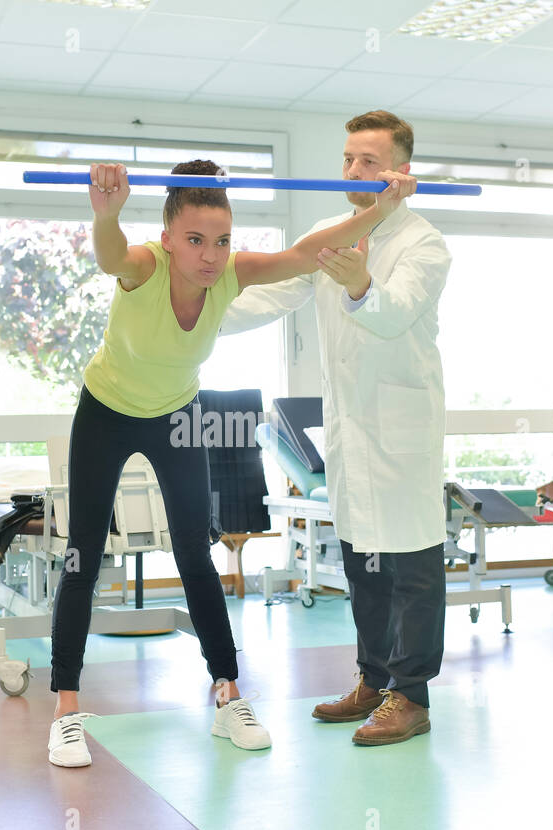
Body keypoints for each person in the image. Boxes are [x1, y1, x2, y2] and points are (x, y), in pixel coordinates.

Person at [47, 157, 408, 768]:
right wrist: (104, 215)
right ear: (167, 239)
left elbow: (305, 253)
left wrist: (381, 211)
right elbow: (110, 257)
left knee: (196, 552)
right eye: (194, 240)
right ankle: (64, 711)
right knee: (83, 553)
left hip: (176, 416)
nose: (210, 256)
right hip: (105, 411)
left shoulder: (230, 278)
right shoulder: (143, 266)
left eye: (221, 241)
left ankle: (229, 694)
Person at [222, 110, 451, 746]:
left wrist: (360, 286)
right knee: (363, 559)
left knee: (411, 565)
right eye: (348, 158)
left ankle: (412, 696)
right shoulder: (330, 232)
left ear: (401, 172)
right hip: (348, 427)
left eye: (369, 161)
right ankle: (374, 680)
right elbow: (270, 294)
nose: (353, 170)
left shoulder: (424, 244)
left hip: (402, 428)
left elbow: (393, 312)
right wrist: (193, 314)